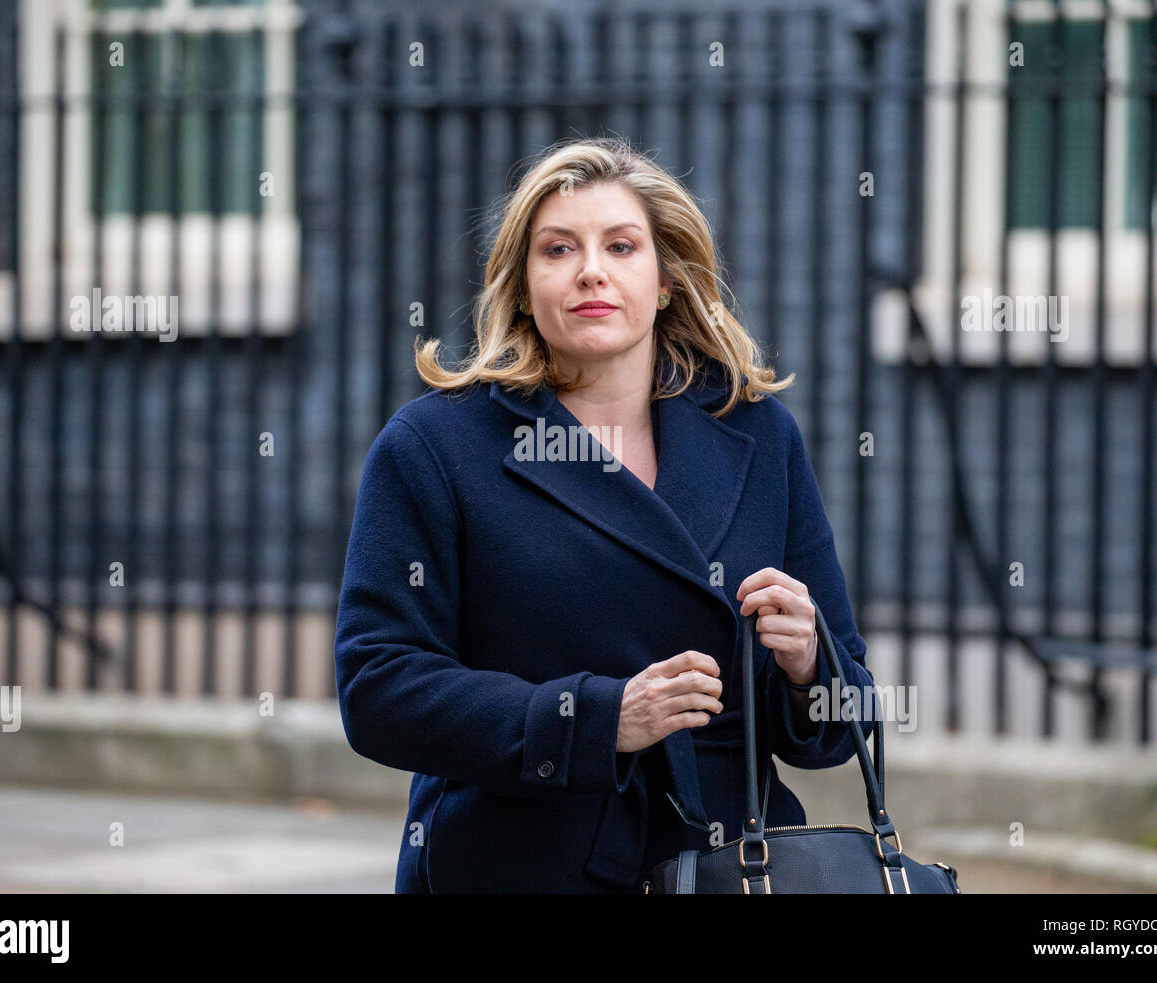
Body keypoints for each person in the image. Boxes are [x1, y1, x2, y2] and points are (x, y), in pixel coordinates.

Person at [334, 136, 876, 893]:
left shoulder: (756, 432)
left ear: (663, 282)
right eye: (559, 249)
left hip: (730, 865)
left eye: (621, 246)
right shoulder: (434, 445)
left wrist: (806, 662)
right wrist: (593, 719)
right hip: (520, 864)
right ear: (523, 285)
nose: (592, 269)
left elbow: (845, 722)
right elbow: (378, 686)